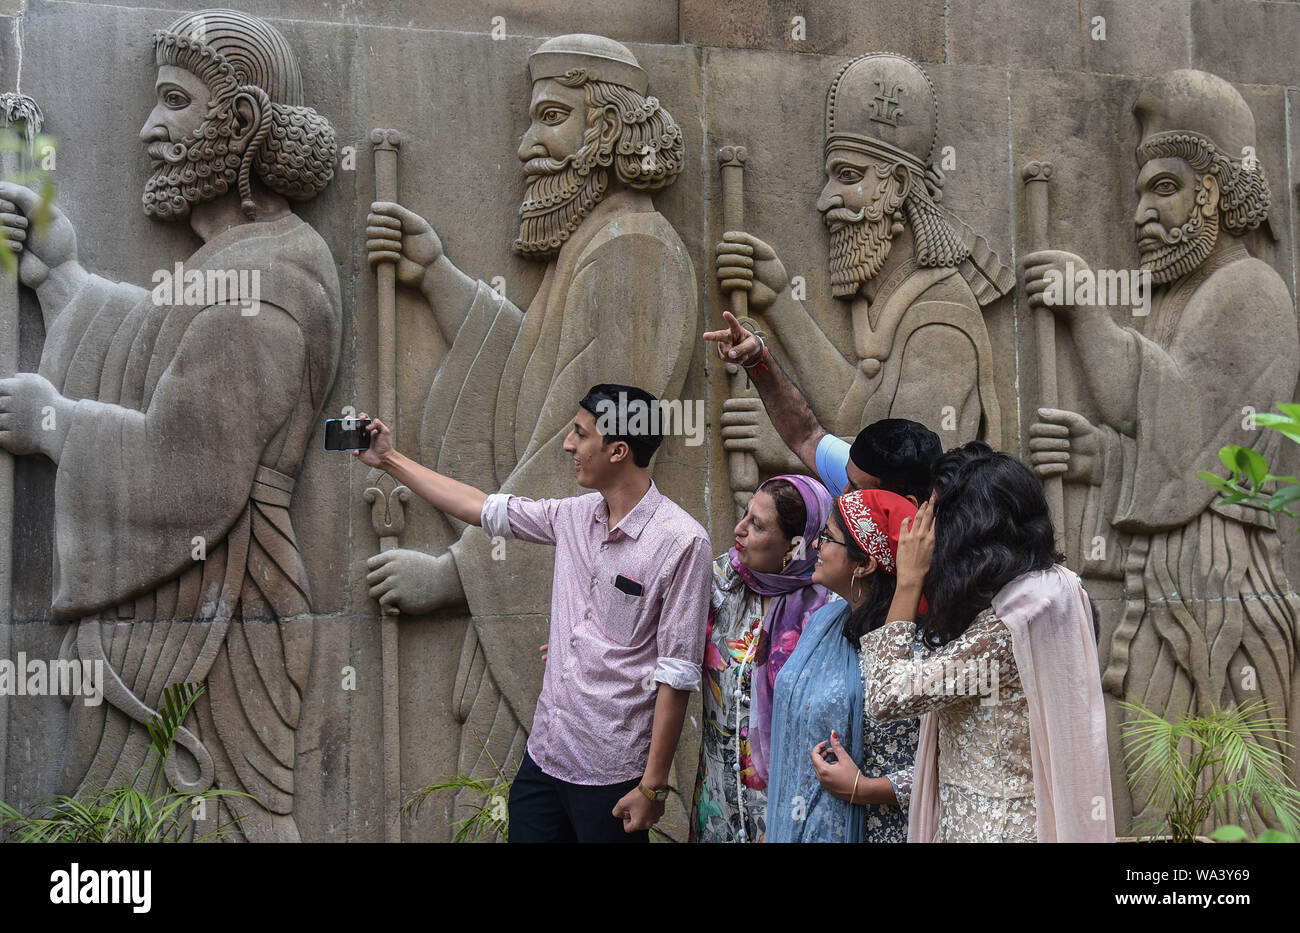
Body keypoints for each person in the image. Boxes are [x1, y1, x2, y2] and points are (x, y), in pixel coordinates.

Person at [0, 10, 341, 840]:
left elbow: (188, 473)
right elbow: (156, 343)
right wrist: (61, 274)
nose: (151, 128)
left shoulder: (269, 285)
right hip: (183, 603)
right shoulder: (241, 259)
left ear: (244, 123)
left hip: (218, 606)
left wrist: (56, 423)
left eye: (174, 102)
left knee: (208, 822)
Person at [362, 34, 698, 794]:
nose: (526, 146)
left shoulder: (633, 253)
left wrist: (453, 575)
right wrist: (439, 278)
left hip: (582, 644)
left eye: (549, 118)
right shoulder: (598, 244)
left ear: (606, 132)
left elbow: (572, 446)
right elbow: (543, 382)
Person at [1024, 68, 1300, 832]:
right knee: (1161, 811)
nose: (1143, 214)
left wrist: (1089, 314)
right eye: (1140, 194)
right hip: (1178, 593)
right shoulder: (1187, 297)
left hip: (1222, 597)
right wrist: (1100, 459)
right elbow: (1179, 445)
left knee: (1216, 813)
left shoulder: (1251, 290)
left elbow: (1181, 426)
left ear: (1213, 192)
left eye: (1165, 189)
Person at [355, 384, 711, 843]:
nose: (568, 444)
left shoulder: (682, 542)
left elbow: (677, 672)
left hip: (611, 771)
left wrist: (652, 785)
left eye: (580, 435)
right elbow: (482, 508)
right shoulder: (574, 516)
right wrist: (388, 459)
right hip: (545, 756)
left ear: (619, 450)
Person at [708, 52, 1009, 473]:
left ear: (899, 185)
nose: (825, 198)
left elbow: (908, 477)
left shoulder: (942, 323)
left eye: (847, 177)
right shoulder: (887, 296)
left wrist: (787, 447)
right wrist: (779, 300)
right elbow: (857, 411)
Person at [861, 442, 1115, 842]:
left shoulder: (1013, 623)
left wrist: (908, 580)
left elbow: (886, 695)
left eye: (937, 519)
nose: (929, 535)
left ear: (967, 529)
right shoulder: (1040, 593)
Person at [765, 489, 921, 843]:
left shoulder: (910, 646)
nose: (815, 547)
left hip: (882, 831)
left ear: (864, 564)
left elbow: (949, 765)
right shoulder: (826, 621)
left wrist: (865, 789)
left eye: (827, 538)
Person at [691, 475, 833, 843]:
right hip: (718, 809)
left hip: (788, 816)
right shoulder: (720, 583)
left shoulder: (829, 610)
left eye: (757, 525)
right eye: (745, 515)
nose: (739, 529)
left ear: (794, 547)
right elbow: (658, 634)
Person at [704, 311, 940, 499]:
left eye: (856, 492)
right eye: (845, 481)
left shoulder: (951, 554)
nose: (842, 497)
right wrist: (757, 358)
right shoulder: (859, 475)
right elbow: (805, 435)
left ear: (907, 506)